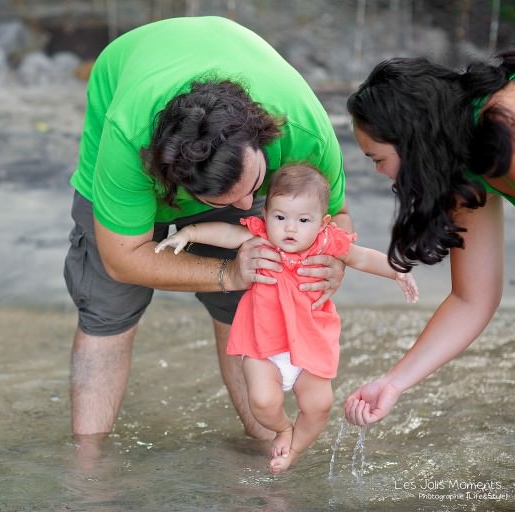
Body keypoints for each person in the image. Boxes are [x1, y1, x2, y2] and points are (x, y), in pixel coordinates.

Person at [63, 15, 353, 442]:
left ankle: (270, 452)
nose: (244, 209)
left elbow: (338, 217)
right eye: (223, 203)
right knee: (107, 312)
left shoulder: (302, 129)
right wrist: (227, 273)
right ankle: (85, 471)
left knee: (249, 308)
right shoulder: (128, 140)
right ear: (171, 184)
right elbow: (121, 260)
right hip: (129, 93)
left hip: (247, 99)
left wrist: (334, 261)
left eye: (254, 187)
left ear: (261, 136)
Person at [155, 164, 418, 473]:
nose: (290, 229)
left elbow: (362, 257)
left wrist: (397, 270)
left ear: (323, 223)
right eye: (280, 217)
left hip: (309, 346)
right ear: (265, 215)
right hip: (264, 346)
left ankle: (293, 449)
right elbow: (227, 233)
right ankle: (282, 428)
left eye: (303, 220)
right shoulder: (262, 238)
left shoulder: (326, 243)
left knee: (318, 405)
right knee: (262, 403)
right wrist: (188, 233)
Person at [344, 50, 515, 427]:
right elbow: (472, 298)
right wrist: (393, 382)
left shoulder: (505, 126)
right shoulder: (467, 162)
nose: (380, 173)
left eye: (377, 158)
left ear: (411, 139)